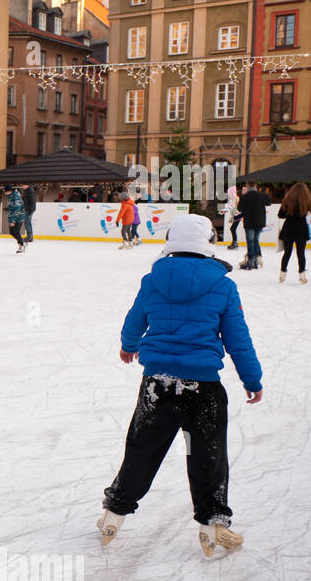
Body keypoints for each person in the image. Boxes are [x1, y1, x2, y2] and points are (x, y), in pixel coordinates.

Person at [98, 214, 263, 558]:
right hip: (204, 389)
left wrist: (129, 346)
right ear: (208, 242)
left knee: (142, 450)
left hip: (157, 384)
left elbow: (134, 320)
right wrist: (252, 379)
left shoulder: (152, 280)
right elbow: (238, 340)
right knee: (207, 455)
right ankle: (212, 523)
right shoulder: (223, 285)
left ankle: (114, 514)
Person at [277, 182, 311, 284]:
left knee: (287, 253)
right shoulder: (308, 201)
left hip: (288, 229)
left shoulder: (287, 200)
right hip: (301, 230)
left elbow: (280, 215)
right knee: (301, 253)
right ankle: (302, 276)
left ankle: (282, 275)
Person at [236, 181, 270, 270]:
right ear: (255, 185)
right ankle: (256, 260)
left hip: (249, 222)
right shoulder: (261, 195)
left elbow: (239, 208)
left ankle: (251, 260)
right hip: (260, 221)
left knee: (250, 241)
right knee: (256, 240)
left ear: (247, 186)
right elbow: (269, 202)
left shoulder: (245, 197)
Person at [4, 185, 27, 252]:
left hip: (18, 217)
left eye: (6, 191)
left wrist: (13, 221)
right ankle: (22, 243)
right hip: (13, 217)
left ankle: (21, 246)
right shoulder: (11, 196)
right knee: (12, 232)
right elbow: (12, 207)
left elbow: (17, 210)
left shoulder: (16, 197)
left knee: (16, 232)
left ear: (9, 191)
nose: (5, 193)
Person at [225, 184, 242, 249]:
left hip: (237, 215)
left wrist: (234, 217)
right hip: (236, 215)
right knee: (233, 228)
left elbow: (235, 207)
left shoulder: (235, 198)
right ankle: (234, 242)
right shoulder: (234, 198)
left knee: (233, 228)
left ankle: (235, 243)